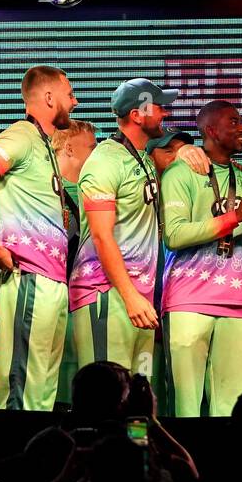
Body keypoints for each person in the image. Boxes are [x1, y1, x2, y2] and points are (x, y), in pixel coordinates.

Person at [0, 65, 79, 410]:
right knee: (21, 392)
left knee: (42, 392)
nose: (75, 101)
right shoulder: (21, 134)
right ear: (49, 97)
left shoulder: (43, 146)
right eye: (70, 93)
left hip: (51, 280)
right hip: (31, 278)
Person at [160, 100, 242, 416]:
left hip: (235, 300)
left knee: (230, 407)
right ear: (211, 130)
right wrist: (236, 215)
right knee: (186, 407)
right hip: (188, 300)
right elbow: (175, 236)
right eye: (234, 122)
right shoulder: (179, 174)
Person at [69, 78, 181, 375]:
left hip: (138, 299)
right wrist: (130, 296)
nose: (165, 114)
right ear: (137, 114)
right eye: (159, 107)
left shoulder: (141, 157)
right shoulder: (105, 161)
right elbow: (101, 236)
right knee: (105, 399)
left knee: (136, 400)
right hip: (106, 296)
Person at [50, 119, 97, 405]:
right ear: (69, 147)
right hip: (50, 298)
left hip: (81, 300)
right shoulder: (42, 184)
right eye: (92, 147)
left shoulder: (90, 190)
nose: (98, 153)